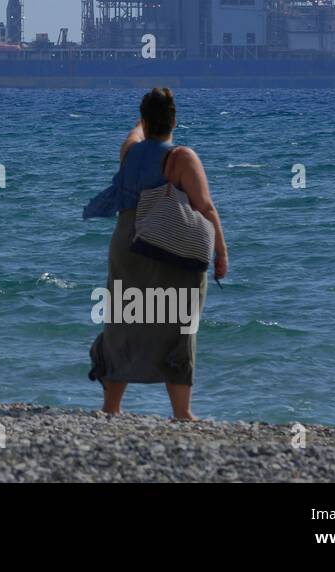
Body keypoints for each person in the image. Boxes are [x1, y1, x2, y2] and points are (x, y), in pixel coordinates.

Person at [85, 87, 228, 420]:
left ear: (146, 121)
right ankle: (181, 411)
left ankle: (111, 407)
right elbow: (204, 207)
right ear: (174, 121)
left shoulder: (129, 152)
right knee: (179, 321)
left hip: (127, 244)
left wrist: (143, 120)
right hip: (168, 246)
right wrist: (221, 252)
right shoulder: (181, 158)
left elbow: (134, 134)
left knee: (123, 322)